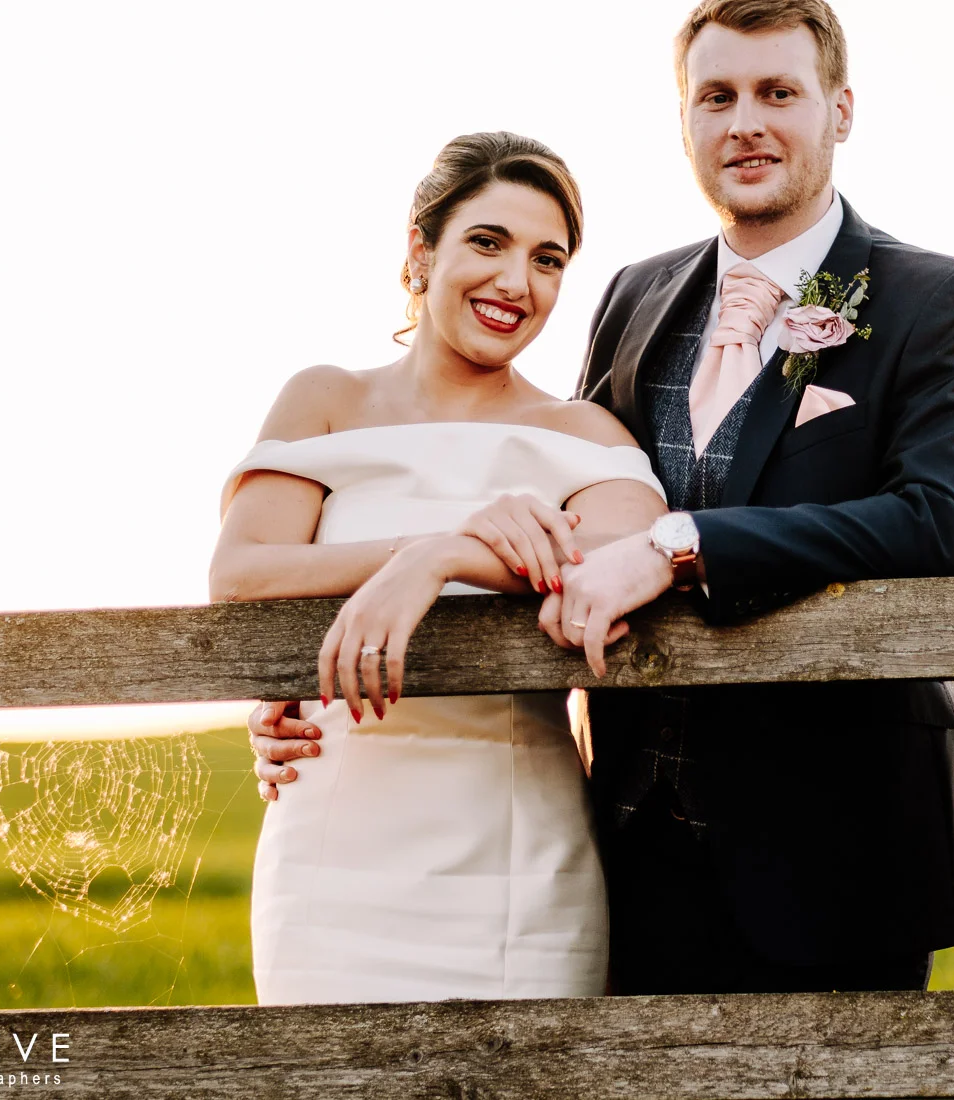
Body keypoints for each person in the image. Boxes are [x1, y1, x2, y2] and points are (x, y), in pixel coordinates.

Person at [252, 0, 954, 998]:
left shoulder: (943, 302)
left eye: (776, 92)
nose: (745, 121)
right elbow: (547, 517)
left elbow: (939, 523)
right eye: (718, 96)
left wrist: (678, 544)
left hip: (836, 843)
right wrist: (300, 661)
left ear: (840, 109)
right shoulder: (634, 296)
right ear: (686, 122)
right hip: (628, 844)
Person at [213, 131, 666, 1005]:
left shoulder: (581, 433)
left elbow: (629, 557)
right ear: (421, 251)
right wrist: (421, 553)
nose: (515, 283)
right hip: (333, 846)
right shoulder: (327, 399)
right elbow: (240, 571)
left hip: (520, 853)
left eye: (548, 259)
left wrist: (446, 556)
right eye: (487, 243)